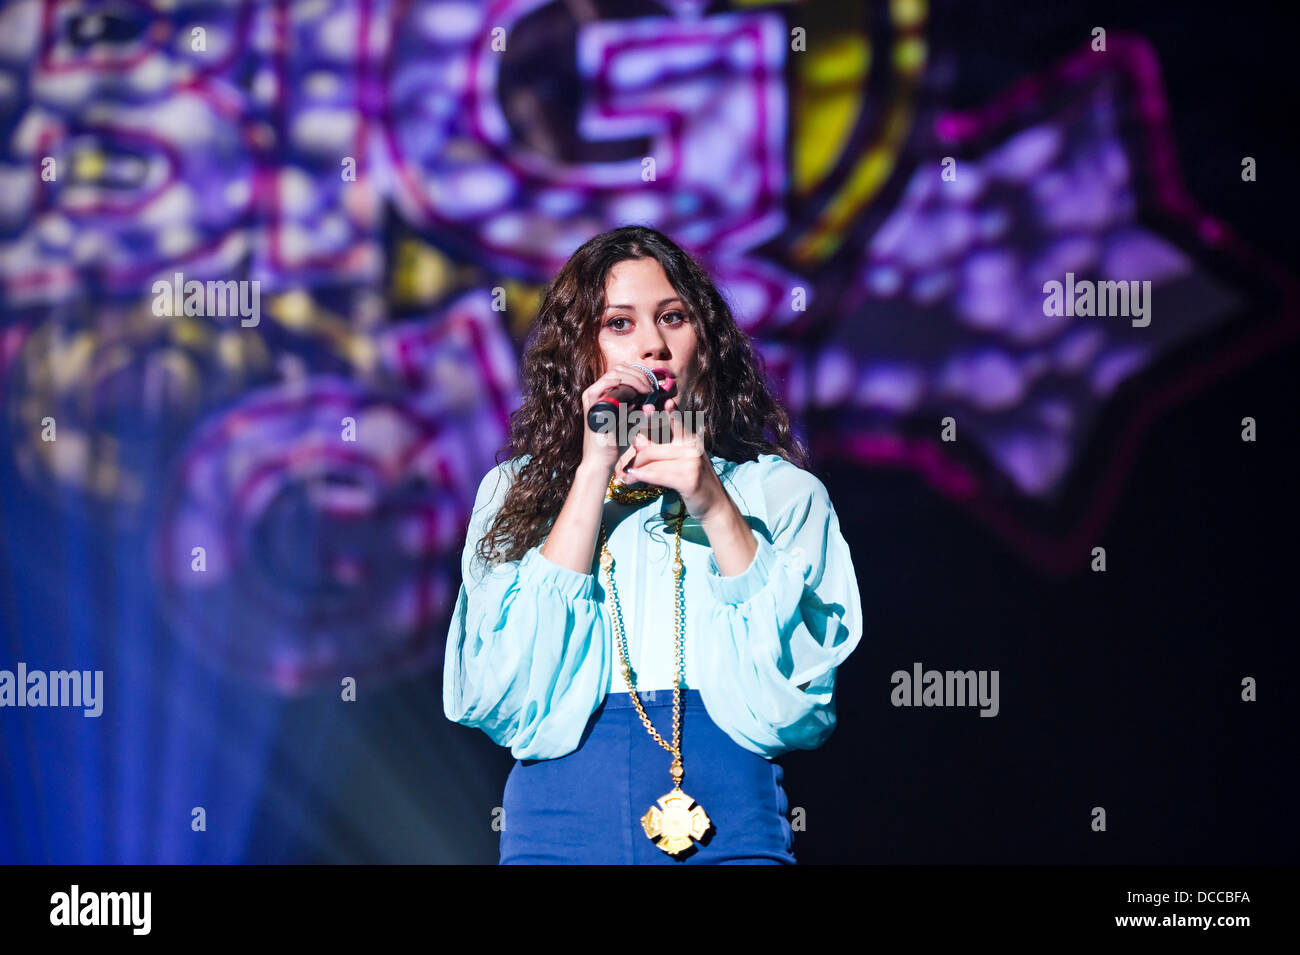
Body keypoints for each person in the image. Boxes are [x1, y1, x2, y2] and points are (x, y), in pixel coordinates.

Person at [443, 225, 863, 864]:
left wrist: (713, 504)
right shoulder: (514, 493)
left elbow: (794, 708)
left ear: (708, 342)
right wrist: (590, 473)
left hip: (729, 834)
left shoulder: (780, 494)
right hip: (557, 838)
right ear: (580, 351)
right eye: (619, 323)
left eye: (674, 318)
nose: (652, 345)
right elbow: (509, 700)